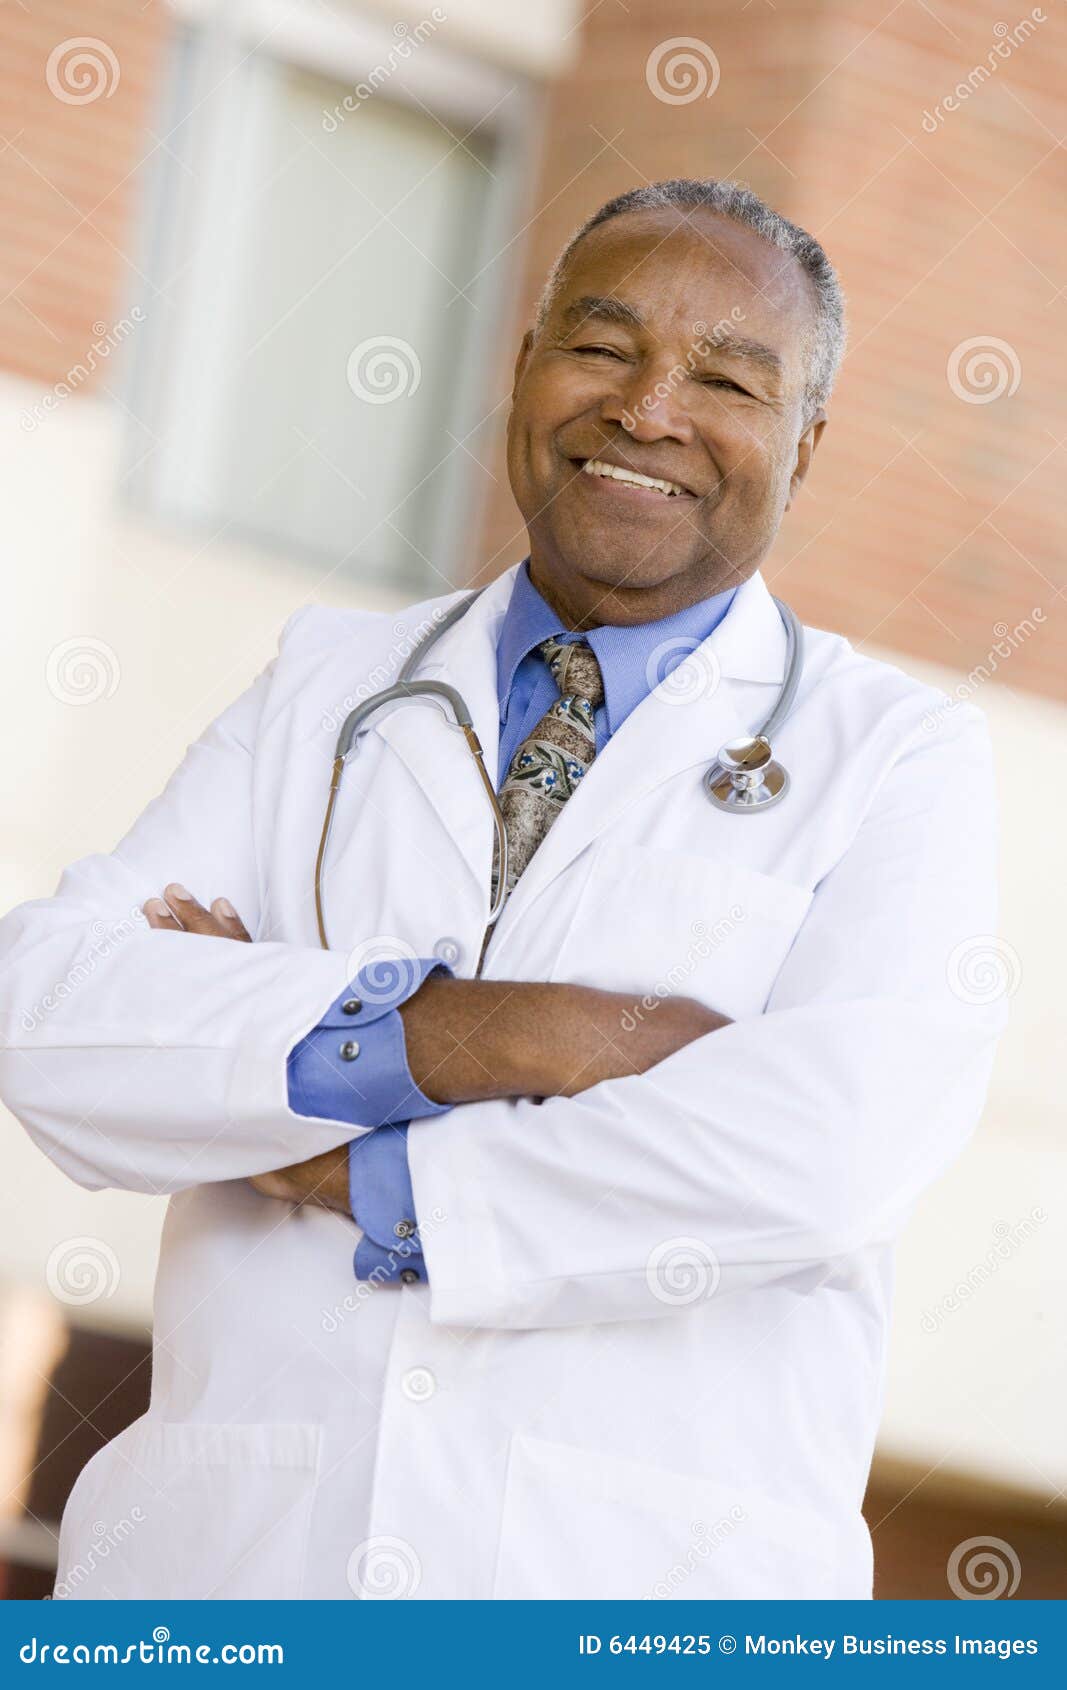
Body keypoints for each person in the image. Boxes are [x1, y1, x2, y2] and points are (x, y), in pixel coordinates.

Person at [0, 178, 1004, 1600]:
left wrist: (324, 1146)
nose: (649, 409)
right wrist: (514, 1034)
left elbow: (824, 1150)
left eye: (726, 377)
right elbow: (48, 1010)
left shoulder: (896, 758)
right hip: (231, 1581)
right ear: (525, 363)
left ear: (809, 443)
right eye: (602, 348)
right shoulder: (326, 680)